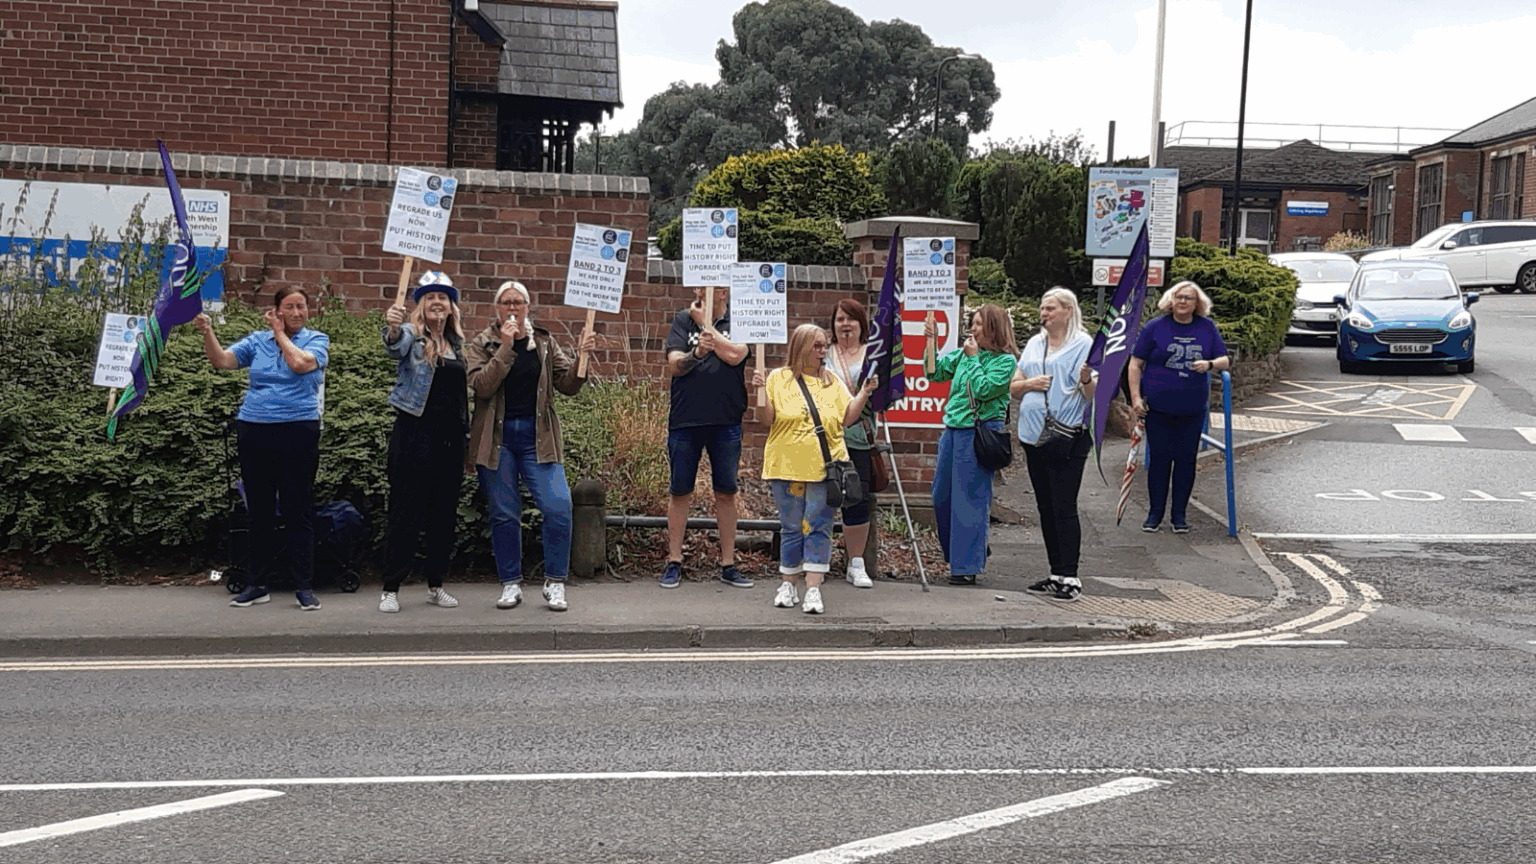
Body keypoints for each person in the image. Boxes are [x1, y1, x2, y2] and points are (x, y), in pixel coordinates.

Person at [194, 286, 329, 611]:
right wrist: (208, 332)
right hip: (254, 430)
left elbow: (298, 364)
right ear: (277, 309)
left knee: (297, 509)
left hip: (298, 429)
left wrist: (280, 334)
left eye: (301, 307)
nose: (297, 312)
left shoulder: (317, 340)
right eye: (289, 307)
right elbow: (222, 361)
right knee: (260, 511)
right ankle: (257, 584)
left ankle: (303, 586)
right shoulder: (256, 341)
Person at [466, 280, 595, 612]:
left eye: (519, 302)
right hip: (497, 440)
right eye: (506, 302)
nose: (513, 308)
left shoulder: (544, 342)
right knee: (504, 514)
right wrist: (506, 347)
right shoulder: (483, 343)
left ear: (527, 307)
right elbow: (481, 387)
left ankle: (555, 583)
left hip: (539, 438)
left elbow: (568, 385)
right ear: (497, 309)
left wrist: (582, 358)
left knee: (558, 506)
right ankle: (510, 583)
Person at [754, 324, 878, 614]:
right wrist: (759, 392)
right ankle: (788, 583)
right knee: (791, 528)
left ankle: (813, 588)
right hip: (785, 466)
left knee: (818, 527)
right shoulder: (777, 378)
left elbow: (847, 418)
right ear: (801, 347)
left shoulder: (831, 382)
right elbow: (766, 419)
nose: (824, 351)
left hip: (825, 468)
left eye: (824, 345)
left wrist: (864, 393)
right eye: (818, 346)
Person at [377, 272, 469, 614]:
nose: (437, 302)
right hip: (414, 434)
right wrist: (393, 326)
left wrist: (467, 441)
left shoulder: (457, 344)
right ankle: (390, 587)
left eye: (443, 297)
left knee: (442, 516)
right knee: (405, 514)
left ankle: (436, 584)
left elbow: (462, 398)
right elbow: (392, 346)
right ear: (421, 305)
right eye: (430, 297)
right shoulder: (411, 337)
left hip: (450, 440)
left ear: (451, 306)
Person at [659, 286, 752, 590]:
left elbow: (737, 355)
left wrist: (706, 326)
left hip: (726, 419)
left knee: (726, 491)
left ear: (724, 290)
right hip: (685, 420)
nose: (700, 290)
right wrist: (697, 351)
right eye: (698, 284)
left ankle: (728, 563)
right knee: (680, 490)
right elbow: (675, 365)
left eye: (708, 284)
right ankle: (674, 560)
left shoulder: (740, 320)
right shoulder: (682, 319)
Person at [1011, 288, 1097, 602]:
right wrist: (1030, 384)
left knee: (1064, 505)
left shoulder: (1084, 344)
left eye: (1050, 308)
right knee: (1045, 506)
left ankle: (1071, 576)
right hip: (1033, 435)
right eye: (1042, 307)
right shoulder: (1035, 343)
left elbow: (1093, 394)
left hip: (1067, 436)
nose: (1043, 313)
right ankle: (1055, 572)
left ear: (1068, 311)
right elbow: (1014, 387)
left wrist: (1087, 379)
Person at [923, 304, 1018, 585]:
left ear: (993, 328)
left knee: (970, 500)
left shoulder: (1005, 362)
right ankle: (968, 550)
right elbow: (934, 372)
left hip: (979, 432)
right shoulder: (964, 355)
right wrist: (932, 340)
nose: (973, 329)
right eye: (972, 323)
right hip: (953, 430)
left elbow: (984, 389)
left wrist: (974, 359)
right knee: (942, 495)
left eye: (978, 324)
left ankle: (965, 567)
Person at [1129, 280, 1231, 534]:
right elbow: (1135, 364)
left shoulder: (1206, 328)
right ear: (1170, 300)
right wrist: (1135, 398)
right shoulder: (1155, 327)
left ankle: (1180, 516)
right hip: (1159, 408)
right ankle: (1155, 514)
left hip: (1192, 408)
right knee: (1160, 460)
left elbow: (1225, 360)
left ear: (1197, 303)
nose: (1183, 302)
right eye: (1179, 297)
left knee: (1186, 461)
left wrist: (1209, 364)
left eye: (1189, 298)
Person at [825, 298, 878, 588]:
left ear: (861, 324)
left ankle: (855, 562)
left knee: (857, 497)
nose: (845, 324)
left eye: (851, 319)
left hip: (859, 436)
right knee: (821, 495)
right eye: (840, 319)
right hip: (825, 437)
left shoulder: (873, 355)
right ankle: (816, 558)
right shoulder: (824, 353)